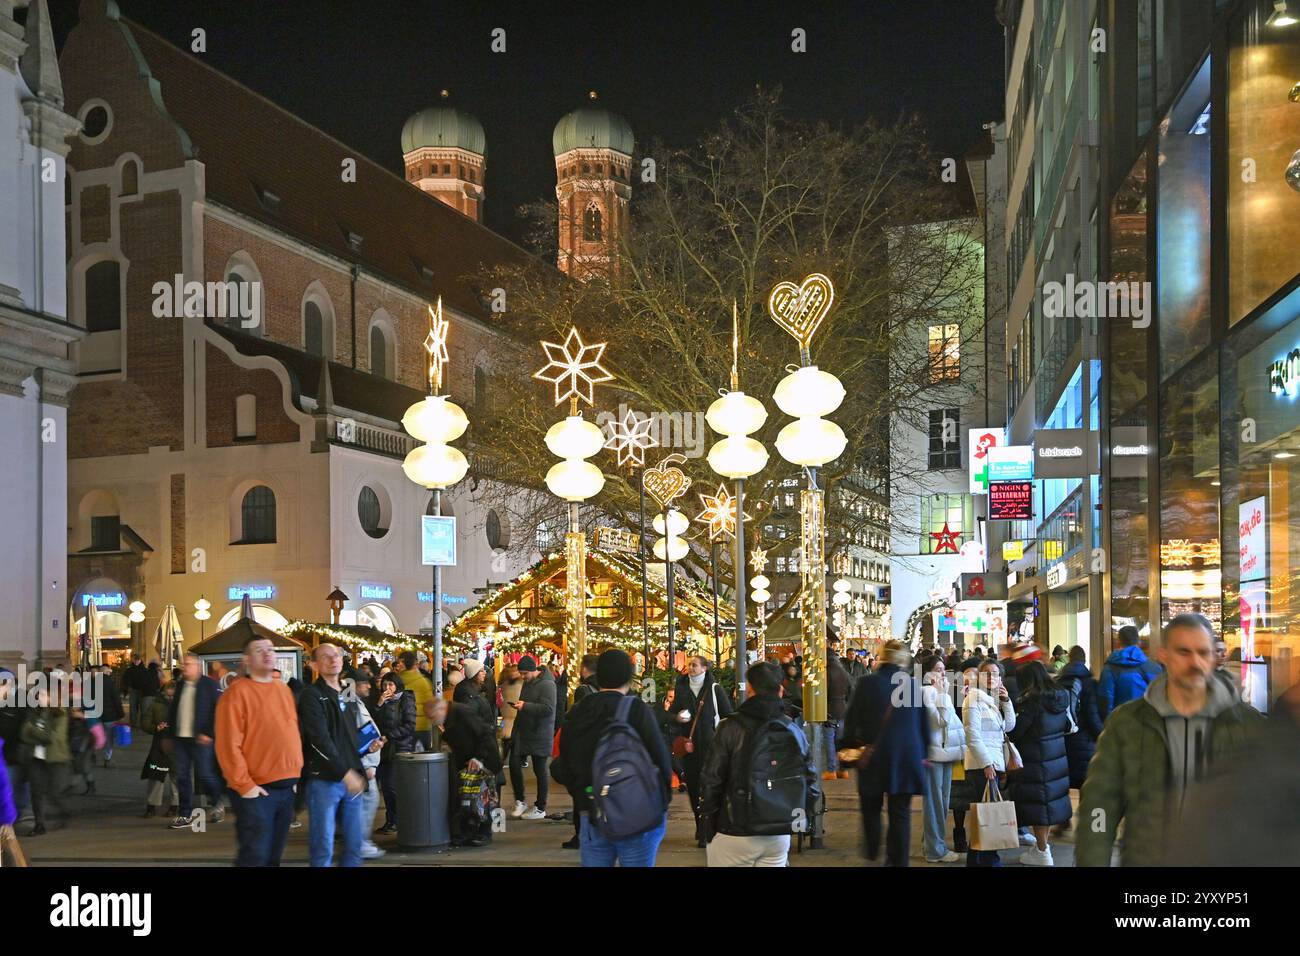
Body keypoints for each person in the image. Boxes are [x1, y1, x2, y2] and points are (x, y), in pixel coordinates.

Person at [1077, 614, 1262, 867]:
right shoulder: (1127, 724)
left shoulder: (1248, 726)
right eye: (1184, 652)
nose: (1195, 662)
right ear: (1163, 655)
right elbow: (1100, 806)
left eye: (1203, 652)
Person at [552, 649, 673, 867]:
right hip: (637, 810)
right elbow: (661, 758)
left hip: (593, 810)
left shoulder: (578, 711)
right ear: (628, 676)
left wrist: (582, 796)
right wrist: (662, 801)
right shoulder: (637, 710)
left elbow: (564, 763)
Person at [697, 661, 819, 867]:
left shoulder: (730, 727)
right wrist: (800, 815)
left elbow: (711, 779)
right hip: (779, 832)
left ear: (750, 689)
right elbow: (811, 781)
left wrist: (709, 822)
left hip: (735, 829)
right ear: (780, 690)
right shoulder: (792, 729)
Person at [215, 635, 303, 867]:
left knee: (273, 856)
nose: (267, 654)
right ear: (246, 660)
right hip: (257, 790)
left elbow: (291, 732)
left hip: (286, 787)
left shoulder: (282, 689)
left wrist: (295, 775)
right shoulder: (236, 693)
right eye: (259, 650)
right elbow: (227, 745)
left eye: (270, 649)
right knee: (255, 857)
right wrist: (245, 785)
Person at [842, 640, 927, 867]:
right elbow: (923, 724)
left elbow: (851, 720)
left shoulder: (866, 683)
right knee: (901, 813)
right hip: (906, 757)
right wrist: (924, 753)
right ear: (903, 659)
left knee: (871, 807)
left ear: (882, 656)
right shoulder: (912, 685)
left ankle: (872, 851)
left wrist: (847, 747)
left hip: (874, 756)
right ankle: (898, 861)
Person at [299, 644, 373, 867]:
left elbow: (349, 733)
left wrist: (366, 749)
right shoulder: (312, 695)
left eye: (337, 655)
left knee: (354, 844)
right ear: (314, 665)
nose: (333, 659)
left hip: (352, 775)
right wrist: (345, 773)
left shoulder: (347, 692)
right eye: (326, 657)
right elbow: (318, 739)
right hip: (325, 779)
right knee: (323, 845)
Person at [1006, 660, 1072, 865]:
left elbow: (1016, 732)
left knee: (1038, 808)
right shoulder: (1060, 697)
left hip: (1035, 761)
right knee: (1046, 806)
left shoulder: (1031, 702)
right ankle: (1042, 847)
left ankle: (1043, 851)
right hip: (1056, 759)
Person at [672, 655, 734, 847]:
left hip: (711, 747)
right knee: (693, 787)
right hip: (689, 747)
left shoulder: (714, 689)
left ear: (704, 668)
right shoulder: (682, 688)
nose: (691, 668)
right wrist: (677, 717)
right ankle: (700, 826)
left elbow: (727, 714)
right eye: (689, 665)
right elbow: (673, 712)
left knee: (709, 786)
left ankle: (708, 827)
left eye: (695, 665)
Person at [962, 658, 1016, 866]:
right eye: (987, 673)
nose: (992, 677)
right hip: (981, 765)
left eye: (996, 673)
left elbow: (1008, 726)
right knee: (988, 816)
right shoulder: (973, 698)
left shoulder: (991, 700)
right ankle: (990, 861)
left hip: (993, 763)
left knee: (983, 818)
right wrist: (986, 763)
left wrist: (1007, 701)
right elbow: (972, 735)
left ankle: (976, 861)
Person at [167, 653, 225, 829]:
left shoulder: (209, 685)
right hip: (181, 739)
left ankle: (217, 802)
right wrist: (170, 735)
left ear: (198, 666)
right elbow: (173, 711)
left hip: (201, 739)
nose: (184, 667)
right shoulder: (181, 685)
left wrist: (208, 733)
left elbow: (219, 711)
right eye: (183, 664)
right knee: (182, 776)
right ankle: (185, 813)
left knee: (206, 774)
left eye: (188, 664)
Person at [919, 655, 964, 863]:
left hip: (945, 753)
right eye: (938, 669)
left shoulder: (939, 692)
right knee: (935, 804)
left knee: (941, 802)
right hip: (934, 754)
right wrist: (943, 695)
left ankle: (931, 844)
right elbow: (941, 721)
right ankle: (935, 850)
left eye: (944, 669)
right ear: (927, 673)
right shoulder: (926, 692)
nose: (943, 673)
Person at [441, 696, 502, 848]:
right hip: (471, 763)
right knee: (470, 798)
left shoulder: (463, 712)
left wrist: (479, 758)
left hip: (485, 761)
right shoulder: (450, 717)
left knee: (485, 798)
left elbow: (484, 733)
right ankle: (472, 831)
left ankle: (486, 832)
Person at [1055, 645, 1103, 832]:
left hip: (1063, 740)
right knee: (1087, 783)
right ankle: (1087, 823)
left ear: (1069, 659)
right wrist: (1101, 735)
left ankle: (1063, 821)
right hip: (1085, 740)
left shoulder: (1058, 681)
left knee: (1063, 782)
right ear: (1084, 660)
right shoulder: (1090, 683)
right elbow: (1092, 714)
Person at [507, 655, 555, 820]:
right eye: (521, 673)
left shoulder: (548, 684)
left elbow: (548, 709)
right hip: (523, 732)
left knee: (540, 770)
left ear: (534, 671)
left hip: (539, 733)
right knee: (514, 764)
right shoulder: (528, 683)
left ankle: (540, 807)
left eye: (525, 673)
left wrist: (525, 706)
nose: (522, 676)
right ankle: (520, 800)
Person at [560, 653, 601, 849]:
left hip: (583, 750)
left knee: (581, 796)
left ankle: (581, 835)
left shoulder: (583, 690)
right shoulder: (604, 688)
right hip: (600, 749)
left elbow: (575, 722)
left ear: (584, 669)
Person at [19, 687, 70, 836]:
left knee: (54, 792)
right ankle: (39, 825)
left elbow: (52, 737)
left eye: (42, 695)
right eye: (38, 695)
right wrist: (37, 735)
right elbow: (24, 735)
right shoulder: (35, 713)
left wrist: (33, 731)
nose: (38, 698)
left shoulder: (60, 714)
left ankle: (63, 813)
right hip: (36, 759)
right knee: (36, 792)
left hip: (55, 759)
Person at [371, 671, 416, 835]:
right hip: (383, 749)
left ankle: (397, 821)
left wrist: (389, 736)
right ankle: (392, 820)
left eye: (390, 684)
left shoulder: (406, 700)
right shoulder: (381, 700)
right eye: (384, 684)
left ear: (397, 685)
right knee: (387, 787)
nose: (387, 688)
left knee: (392, 786)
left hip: (399, 748)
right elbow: (373, 722)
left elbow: (409, 725)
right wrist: (379, 704)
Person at [349, 672, 387, 859]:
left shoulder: (356, 703)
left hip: (367, 762)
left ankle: (359, 841)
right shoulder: (352, 705)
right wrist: (366, 765)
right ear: (354, 685)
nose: (369, 686)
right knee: (367, 801)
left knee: (366, 802)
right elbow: (354, 737)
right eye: (364, 683)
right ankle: (359, 843)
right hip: (364, 765)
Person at [1097, 625, 1162, 719]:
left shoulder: (1109, 669)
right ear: (1139, 642)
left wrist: (1110, 724)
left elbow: (1105, 703)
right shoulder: (1154, 668)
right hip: (1148, 724)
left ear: (1118, 642)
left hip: (1120, 724)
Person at [140, 681, 178, 818]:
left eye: (172, 696)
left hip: (175, 744)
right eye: (168, 696)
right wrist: (156, 727)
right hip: (160, 744)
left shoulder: (181, 705)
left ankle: (175, 805)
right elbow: (145, 722)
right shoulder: (156, 704)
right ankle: (152, 805)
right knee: (156, 775)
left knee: (176, 776)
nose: (170, 698)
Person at [396, 651, 436, 751]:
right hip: (423, 727)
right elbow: (430, 704)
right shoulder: (423, 682)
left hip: (404, 727)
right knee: (423, 757)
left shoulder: (396, 681)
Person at [825, 639, 852, 781]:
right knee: (840, 741)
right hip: (843, 708)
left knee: (829, 740)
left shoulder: (826, 672)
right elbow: (851, 689)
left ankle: (831, 770)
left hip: (830, 709)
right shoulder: (843, 671)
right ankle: (843, 770)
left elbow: (824, 692)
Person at [96, 664, 125, 768]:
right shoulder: (111, 683)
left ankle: (93, 754)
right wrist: (120, 713)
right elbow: (116, 699)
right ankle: (107, 758)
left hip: (95, 715)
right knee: (109, 737)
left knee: (95, 735)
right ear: (107, 672)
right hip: (109, 715)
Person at [452, 658, 494, 729]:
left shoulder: (476, 689)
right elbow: (471, 720)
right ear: (474, 674)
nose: (485, 672)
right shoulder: (466, 692)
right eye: (481, 671)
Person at [123, 655, 148, 727]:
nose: (136, 661)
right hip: (136, 690)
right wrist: (127, 688)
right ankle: (136, 723)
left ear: (140, 660)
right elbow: (126, 680)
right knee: (136, 707)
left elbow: (126, 680)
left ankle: (137, 723)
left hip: (141, 690)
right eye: (135, 660)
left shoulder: (130, 670)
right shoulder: (144, 670)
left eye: (137, 659)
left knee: (138, 707)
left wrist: (127, 688)